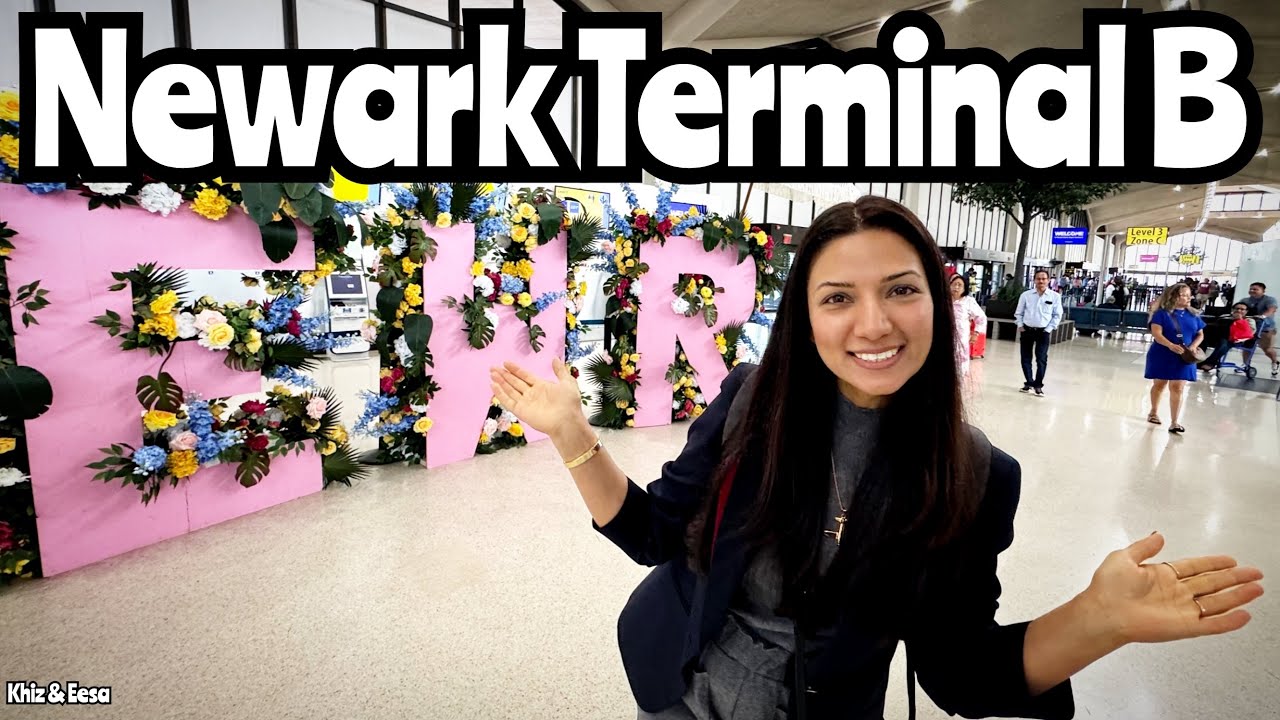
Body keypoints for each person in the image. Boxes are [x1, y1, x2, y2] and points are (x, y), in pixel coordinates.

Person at [488, 198, 1263, 720]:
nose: (872, 324)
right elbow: (655, 535)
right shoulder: (753, 401)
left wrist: (1095, 622)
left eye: (900, 290)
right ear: (806, 314)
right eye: (837, 297)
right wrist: (572, 438)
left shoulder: (971, 475)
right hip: (677, 681)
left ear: (935, 300)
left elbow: (957, 673)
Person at [1145, 283, 1205, 434]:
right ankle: (1153, 411)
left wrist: (1193, 346)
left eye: (1188, 294)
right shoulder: (1161, 314)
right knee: (1159, 384)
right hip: (1163, 353)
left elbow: (1200, 333)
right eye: (1182, 295)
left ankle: (1174, 422)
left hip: (1184, 355)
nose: (1186, 298)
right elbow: (1157, 334)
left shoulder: (1193, 314)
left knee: (1178, 387)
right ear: (1173, 296)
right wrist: (1170, 345)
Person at [1015, 269, 1063, 396]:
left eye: (1043, 279)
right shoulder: (1025, 295)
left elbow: (1057, 315)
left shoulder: (1055, 297)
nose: (1041, 281)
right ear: (1034, 280)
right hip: (1027, 330)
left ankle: (1038, 385)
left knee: (1041, 359)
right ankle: (1029, 382)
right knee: (1025, 358)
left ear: (1048, 280)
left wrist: (1049, 329)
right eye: (1038, 278)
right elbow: (1019, 312)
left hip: (1043, 332)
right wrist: (1020, 326)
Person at [1197, 302, 1256, 371]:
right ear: (1233, 310)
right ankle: (1198, 359)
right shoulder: (1225, 316)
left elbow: (1249, 333)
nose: (1239, 311)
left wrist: (1240, 320)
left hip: (1236, 339)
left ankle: (1210, 363)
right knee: (1202, 337)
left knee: (1224, 343)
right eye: (1237, 308)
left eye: (1242, 309)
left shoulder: (1249, 320)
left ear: (1246, 311)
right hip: (1218, 336)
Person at [949, 273, 987, 376]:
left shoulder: (968, 301)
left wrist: (976, 333)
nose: (956, 287)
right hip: (944, 337)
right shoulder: (944, 300)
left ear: (964, 288)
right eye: (954, 284)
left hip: (961, 338)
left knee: (959, 367)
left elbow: (981, 318)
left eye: (959, 285)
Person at [1240, 282, 1278, 376]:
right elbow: (1239, 309)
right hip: (1250, 328)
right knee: (1247, 347)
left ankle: (1275, 362)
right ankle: (1246, 365)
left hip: (1266, 328)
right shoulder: (1245, 300)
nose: (1252, 291)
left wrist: (1262, 316)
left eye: (1255, 289)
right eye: (1251, 289)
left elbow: (1271, 310)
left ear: (1263, 291)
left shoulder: (1269, 300)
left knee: (1267, 349)